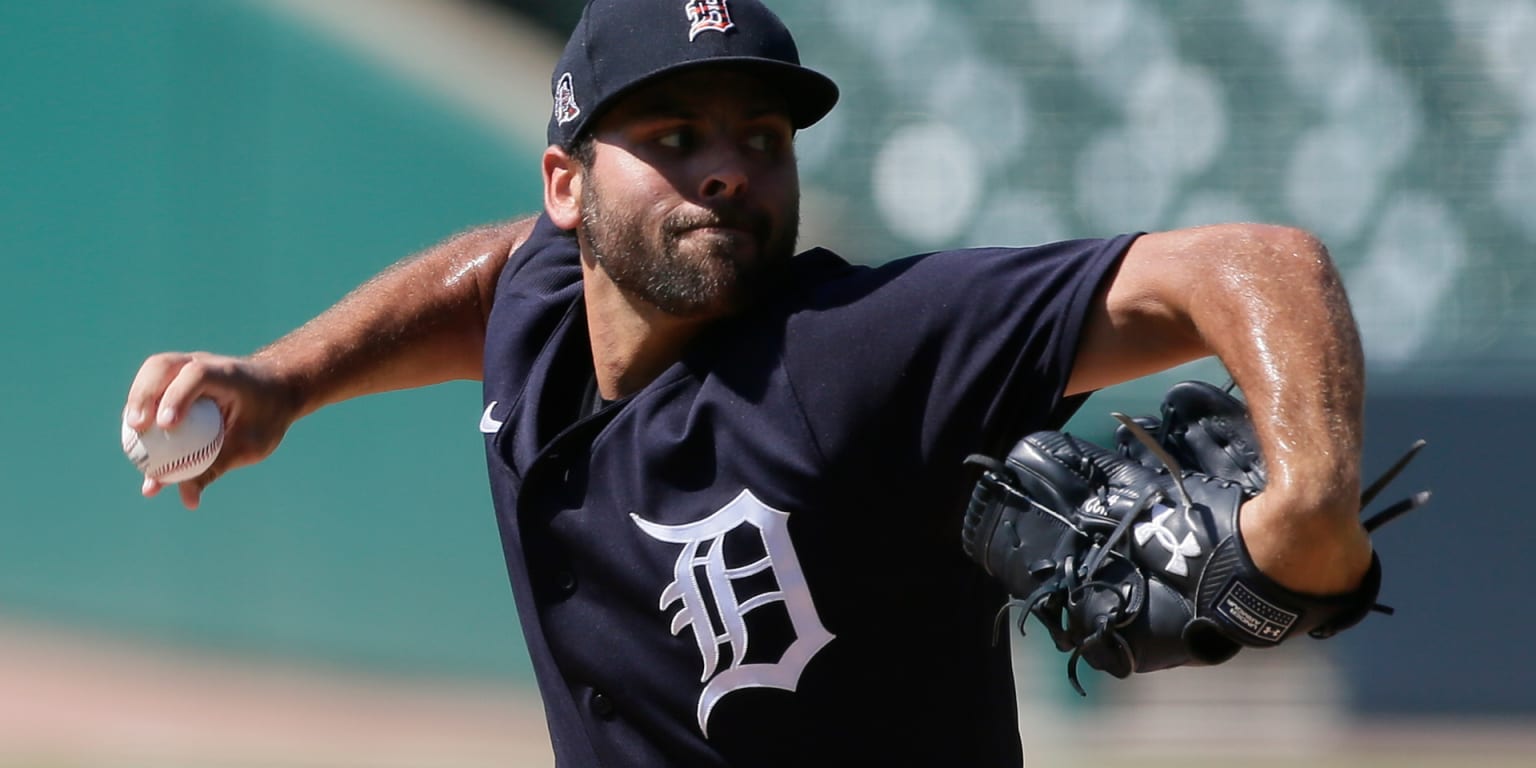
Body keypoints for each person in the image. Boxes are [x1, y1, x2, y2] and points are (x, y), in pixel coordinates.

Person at [123, 0, 1375, 765]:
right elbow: (485, 279)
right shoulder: (548, 305)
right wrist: (285, 378)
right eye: (675, 138)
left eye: (759, 139)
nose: (727, 169)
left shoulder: (866, 343)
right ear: (568, 185)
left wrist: (1311, 507)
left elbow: (1256, 266)